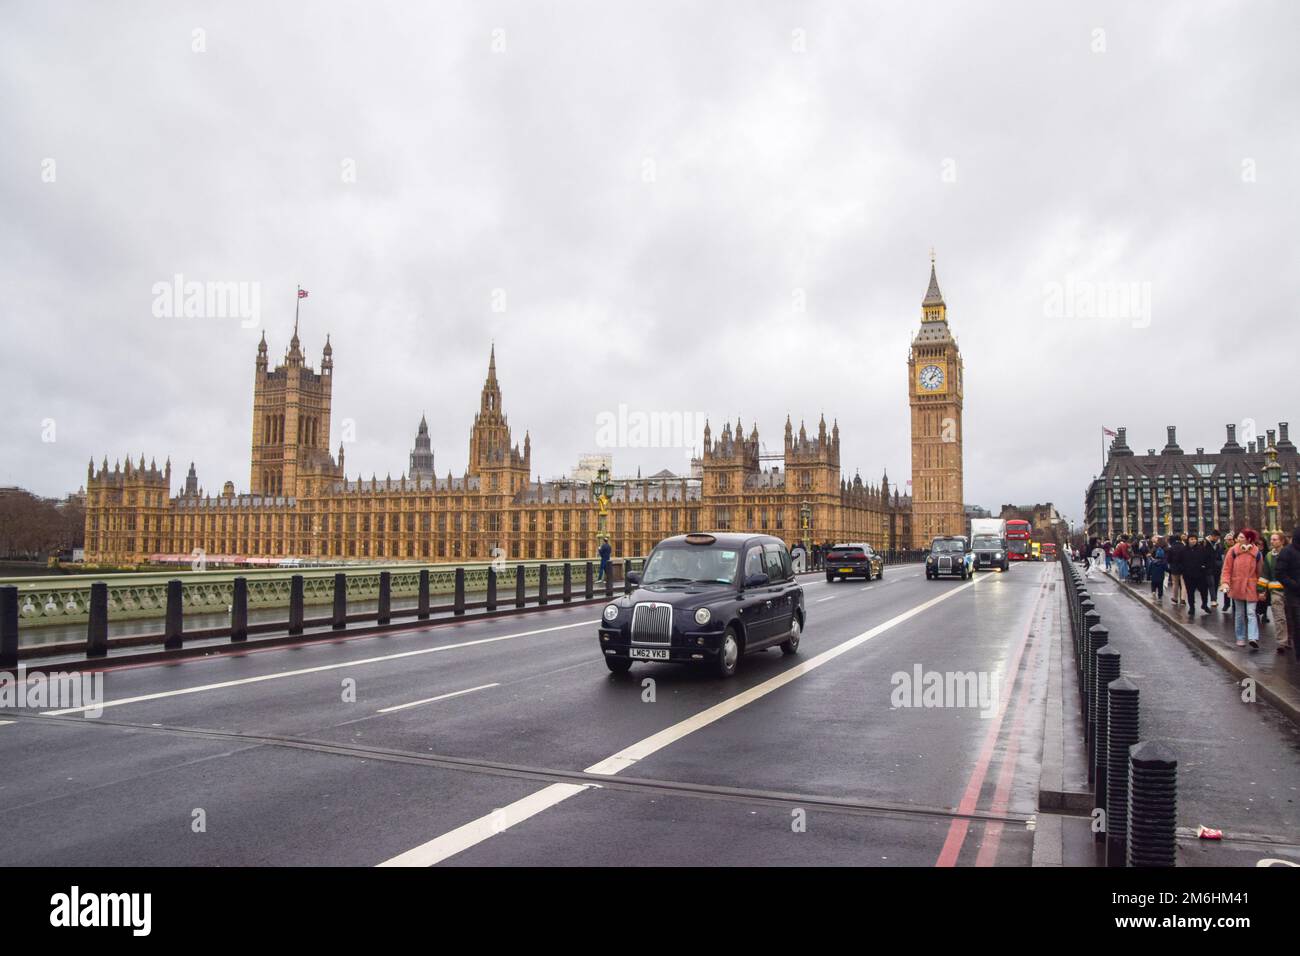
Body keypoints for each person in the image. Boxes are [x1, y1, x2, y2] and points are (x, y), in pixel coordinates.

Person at [1219, 529, 1263, 649]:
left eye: (1242, 537)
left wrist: (1261, 588)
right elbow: (1226, 569)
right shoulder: (1233, 551)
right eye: (1238, 537)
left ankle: (1253, 637)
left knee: (1251, 612)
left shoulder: (1257, 553)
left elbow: (1260, 572)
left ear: (1249, 539)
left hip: (1251, 585)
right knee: (1239, 613)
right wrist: (1225, 583)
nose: (1238, 539)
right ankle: (1240, 637)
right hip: (1237, 585)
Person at [1259, 531, 1290, 653]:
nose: (1272, 542)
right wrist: (1261, 590)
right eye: (1271, 539)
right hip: (1275, 591)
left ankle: (1291, 639)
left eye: (1275, 539)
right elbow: (1264, 574)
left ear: (1282, 541)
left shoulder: (1288, 554)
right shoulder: (1269, 556)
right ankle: (1282, 642)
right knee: (1279, 617)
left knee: (1291, 616)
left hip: (1289, 590)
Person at [1274, 525, 1300, 660]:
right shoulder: (1287, 552)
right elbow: (1280, 573)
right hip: (1294, 593)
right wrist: (1294, 585)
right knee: (1298, 623)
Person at [1182, 532, 1208, 616]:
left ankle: (1204, 604)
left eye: (1195, 539)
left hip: (1200, 574)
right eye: (1191, 539)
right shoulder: (1184, 550)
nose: (1193, 541)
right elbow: (1180, 561)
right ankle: (1192, 608)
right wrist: (1183, 569)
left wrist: (1205, 567)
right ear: (1188, 540)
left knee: (1203, 590)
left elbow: (1207, 559)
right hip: (1188, 575)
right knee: (1190, 592)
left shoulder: (1201, 549)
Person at [1206, 529, 1227, 612]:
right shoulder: (1205, 543)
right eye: (1216, 537)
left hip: (1217, 568)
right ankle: (1213, 600)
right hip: (1208, 567)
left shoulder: (1218, 545)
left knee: (1215, 584)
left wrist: (1220, 563)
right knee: (1211, 583)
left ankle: (1214, 599)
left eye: (1218, 538)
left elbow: (1220, 556)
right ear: (1212, 536)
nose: (1217, 539)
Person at [1166, 533, 1185, 607]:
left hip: (1174, 567)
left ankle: (1175, 598)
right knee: (1184, 584)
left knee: (1175, 583)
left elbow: (1168, 559)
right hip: (1183, 567)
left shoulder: (1171, 548)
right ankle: (1183, 599)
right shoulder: (1184, 547)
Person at [1148, 537, 1168, 603]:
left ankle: (1153, 592)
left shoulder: (1155, 547)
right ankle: (1160, 596)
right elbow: (1166, 569)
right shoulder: (1166, 547)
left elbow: (1149, 569)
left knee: (1153, 584)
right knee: (1160, 586)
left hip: (1153, 576)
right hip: (1161, 575)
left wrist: (1148, 576)